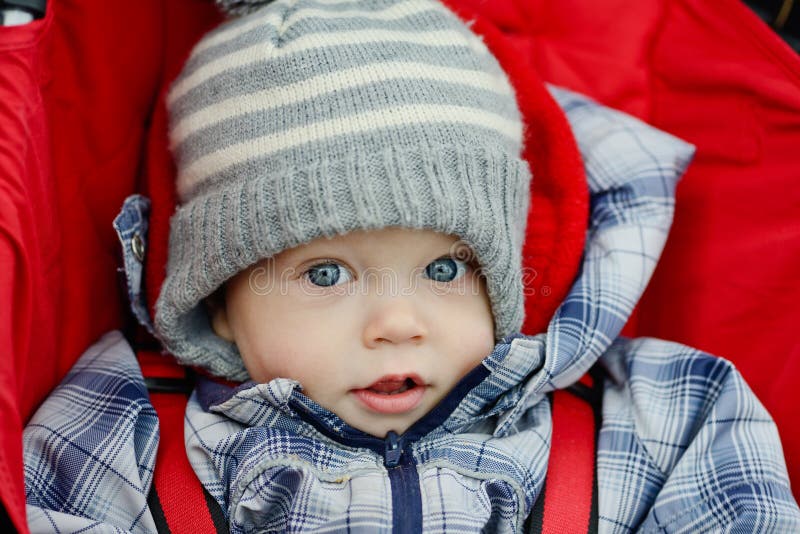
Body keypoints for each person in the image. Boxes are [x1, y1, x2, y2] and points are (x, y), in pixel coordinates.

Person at [22, 0, 800, 532]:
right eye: (326, 274)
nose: (399, 323)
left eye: (447, 270)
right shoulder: (123, 439)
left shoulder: (659, 421)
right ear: (218, 300)